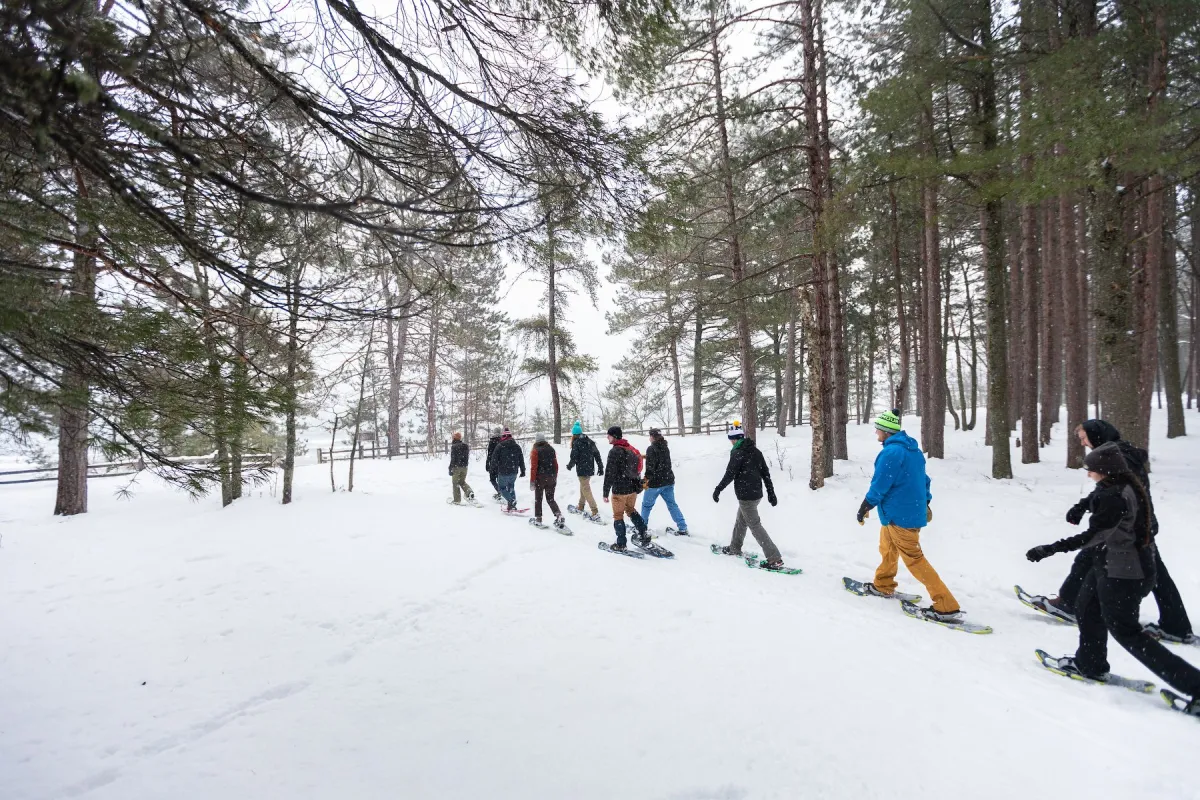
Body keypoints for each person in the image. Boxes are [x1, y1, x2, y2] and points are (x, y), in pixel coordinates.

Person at [1026, 443, 1199, 714]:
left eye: (1091, 470)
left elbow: (1092, 536)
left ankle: (1195, 686)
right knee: (1086, 607)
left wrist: (1048, 549)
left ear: (1105, 471)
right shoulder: (1125, 484)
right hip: (1112, 565)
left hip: (1125, 573)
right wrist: (1081, 507)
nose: (1088, 475)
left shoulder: (1115, 496)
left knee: (1128, 633)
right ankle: (1090, 664)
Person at [1037, 419, 1194, 643]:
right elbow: (1110, 487)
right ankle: (1176, 625)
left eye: (1084, 437)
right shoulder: (1118, 452)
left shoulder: (1119, 456)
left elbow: (1120, 489)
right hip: (1136, 525)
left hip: (1128, 526)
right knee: (1155, 574)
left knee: (1089, 557)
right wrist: (1083, 506)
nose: (1083, 443)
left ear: (1096, 434)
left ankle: (1068, 604)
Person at [854, 409, 963, 621]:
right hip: (904, 512)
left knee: (914, 560)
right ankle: (883, 584)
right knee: (887, 548)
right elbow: (925, 480)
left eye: (878, 429)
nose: (876, 432)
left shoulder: (892, 453)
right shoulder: (912, 450)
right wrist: (924, 501)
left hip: (900, 516)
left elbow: (879, 485)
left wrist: (865, 506)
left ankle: (945, 605)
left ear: (886, 431)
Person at [712, 420, 785, 571]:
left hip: (746, 496)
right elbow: (765, 473)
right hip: (756, 494)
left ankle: (774, 558)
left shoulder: (738, 453)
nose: (731, 442)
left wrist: (718, 489)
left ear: (735, 439)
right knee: (741, 521)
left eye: (731, 439)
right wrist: (771, 493)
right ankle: (734, 547)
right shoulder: (755, 451)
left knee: (755, 525)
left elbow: (729, 474)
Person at [601, 425, 648, 551]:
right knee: (631, 510)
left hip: (620, 490)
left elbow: (609, 473)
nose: (607, 437)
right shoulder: (629, 448)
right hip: (632, 489)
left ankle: (621, 544)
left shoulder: (614, 451)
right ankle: (644, 533)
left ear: (614, 436)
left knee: (618, 515)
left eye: (609, 435)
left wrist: (605, 492)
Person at [640, 428, 688, 534]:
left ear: (652, 437)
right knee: (672, 505)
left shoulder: (651, 448)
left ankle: (642, 528)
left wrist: (644, 480)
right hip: (668, 481)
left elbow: (650, 468)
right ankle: (683, 527)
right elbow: (660, 460)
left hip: (655, 483)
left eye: (650, 436)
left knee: (646, 506)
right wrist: (647, 457)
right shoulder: (665, 447)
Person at [565, 421, 604, 520]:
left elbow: (574, 457)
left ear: (574, 434)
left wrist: (570, 466)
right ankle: (581, 506)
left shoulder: (576, 443)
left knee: (586, 489)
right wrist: (600, 467)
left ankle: (594, 511)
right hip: (589, 468)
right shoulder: (589, 441)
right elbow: (597, 454)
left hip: (582, 470)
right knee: (583, 486)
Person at [530, 433, 566, 528]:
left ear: (536, 441)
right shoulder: (551, 449)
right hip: (551, 477)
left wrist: (532, 481)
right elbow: (556, 465)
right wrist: (554, 476)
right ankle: (558, 515)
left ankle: (538, 519)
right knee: (550, 499)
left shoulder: (535, 451)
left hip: (540, 478)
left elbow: (534, 468)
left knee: (538, 499)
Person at [485, 427, 525, 512]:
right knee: (511, 487)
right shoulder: (517, 446)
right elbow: (521, 459)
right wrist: (523, 470)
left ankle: (511, 501)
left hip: (503, 471)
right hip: (514, 471)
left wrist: (492, 470)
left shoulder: (500, 446)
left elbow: (494, 460)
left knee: (502, 488)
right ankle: (511, 505)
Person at [448, 432, 475, 504]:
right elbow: (466, 457)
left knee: (455, 483)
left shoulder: (454, 446)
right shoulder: (465, 446)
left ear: (454, 438)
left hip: (456, 467)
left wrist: (450, 468)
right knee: (462, 481)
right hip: (465, 467)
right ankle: (469, 492)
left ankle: (457, 500)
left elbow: (453, 459)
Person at [486, 427, 503, 501]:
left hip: (493, 463)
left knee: (492, 479)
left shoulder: (492, 441)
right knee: (500, 478)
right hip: (502, 462)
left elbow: (489, 453)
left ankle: (500, 492)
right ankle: (502, 492)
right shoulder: (503, 440)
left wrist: (487, 463)